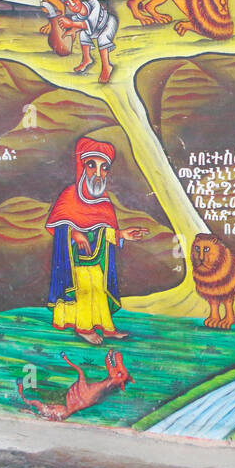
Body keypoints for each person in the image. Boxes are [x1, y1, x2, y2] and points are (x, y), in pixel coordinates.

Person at [45, 138, 146, 345]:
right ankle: (83, 327)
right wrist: (74, 234)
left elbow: (106, 231)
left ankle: (106, 328)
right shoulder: (69, 196)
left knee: (98, 289)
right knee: (83, 289)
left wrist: (121, 235)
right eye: (92, 165)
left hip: (96, 259)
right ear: (82, 166)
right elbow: (58, 226)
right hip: (75, 261)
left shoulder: (104, 201)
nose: (98, 173)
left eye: (104, 168)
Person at [53, 0, 117, 84]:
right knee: (83, 35)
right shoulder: (76, 17)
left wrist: (71, 24)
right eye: (67, 3)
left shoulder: (94, 4)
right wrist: (71, 31)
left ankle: (107, 66)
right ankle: (87, 59)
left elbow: (88, 24)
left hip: (108, 24)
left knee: (102, 38)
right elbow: (79, 26)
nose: (72, 5)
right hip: (95, 30)